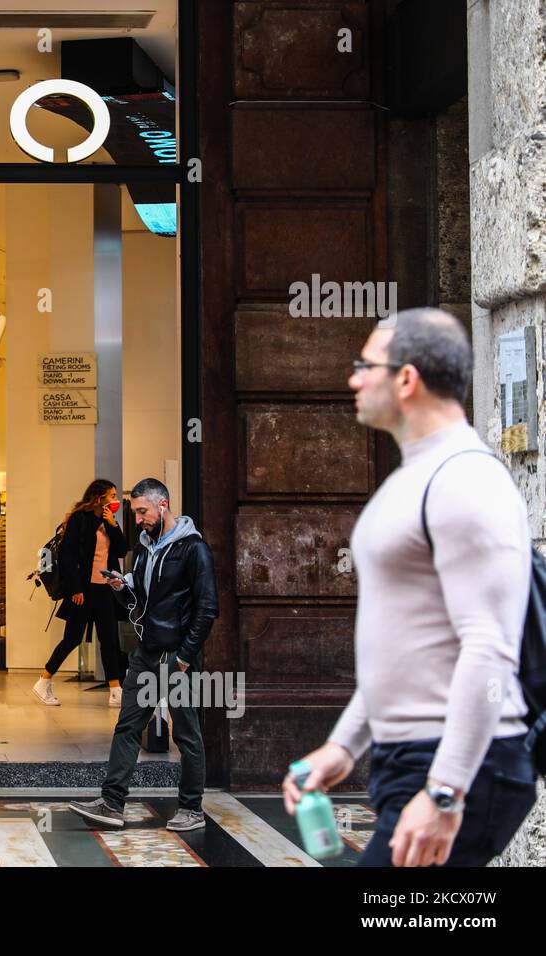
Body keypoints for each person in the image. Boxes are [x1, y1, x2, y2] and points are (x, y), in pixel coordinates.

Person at [283, 308, 537, 867]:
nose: (352, 378)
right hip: (413, 756)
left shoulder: (465, 479)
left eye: (363, 365)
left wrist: (446, 791)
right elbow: (404, 646)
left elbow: (489, 646)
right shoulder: (416, 476)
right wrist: (344, 746)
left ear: (406, 378)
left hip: (461, 760)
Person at [69, 477, 217, 832]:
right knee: (127, 727)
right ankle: (111, 802)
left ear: (162, 505)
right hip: (146, 653)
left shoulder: (193, 548)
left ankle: (192, 808)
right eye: (135, 512)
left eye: (142, 511)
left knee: (185, 733)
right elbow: (141, 596)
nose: (137, 519)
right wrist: (122, 586)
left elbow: (208, 608)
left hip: (176, 657)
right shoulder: (145, 547)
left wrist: (183, 657)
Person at [31, 479, 129, 707]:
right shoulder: (80, 520)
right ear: (99, 497)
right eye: (112, 495)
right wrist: (75, 588)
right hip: (83, 591)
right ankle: (43, 681)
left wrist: (113, 525)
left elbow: (122, 549)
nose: (115, 500)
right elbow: (67, 556)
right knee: (72, 639)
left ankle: (116, 691)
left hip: (105, 589)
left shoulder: (109, 522)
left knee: (109, 640)